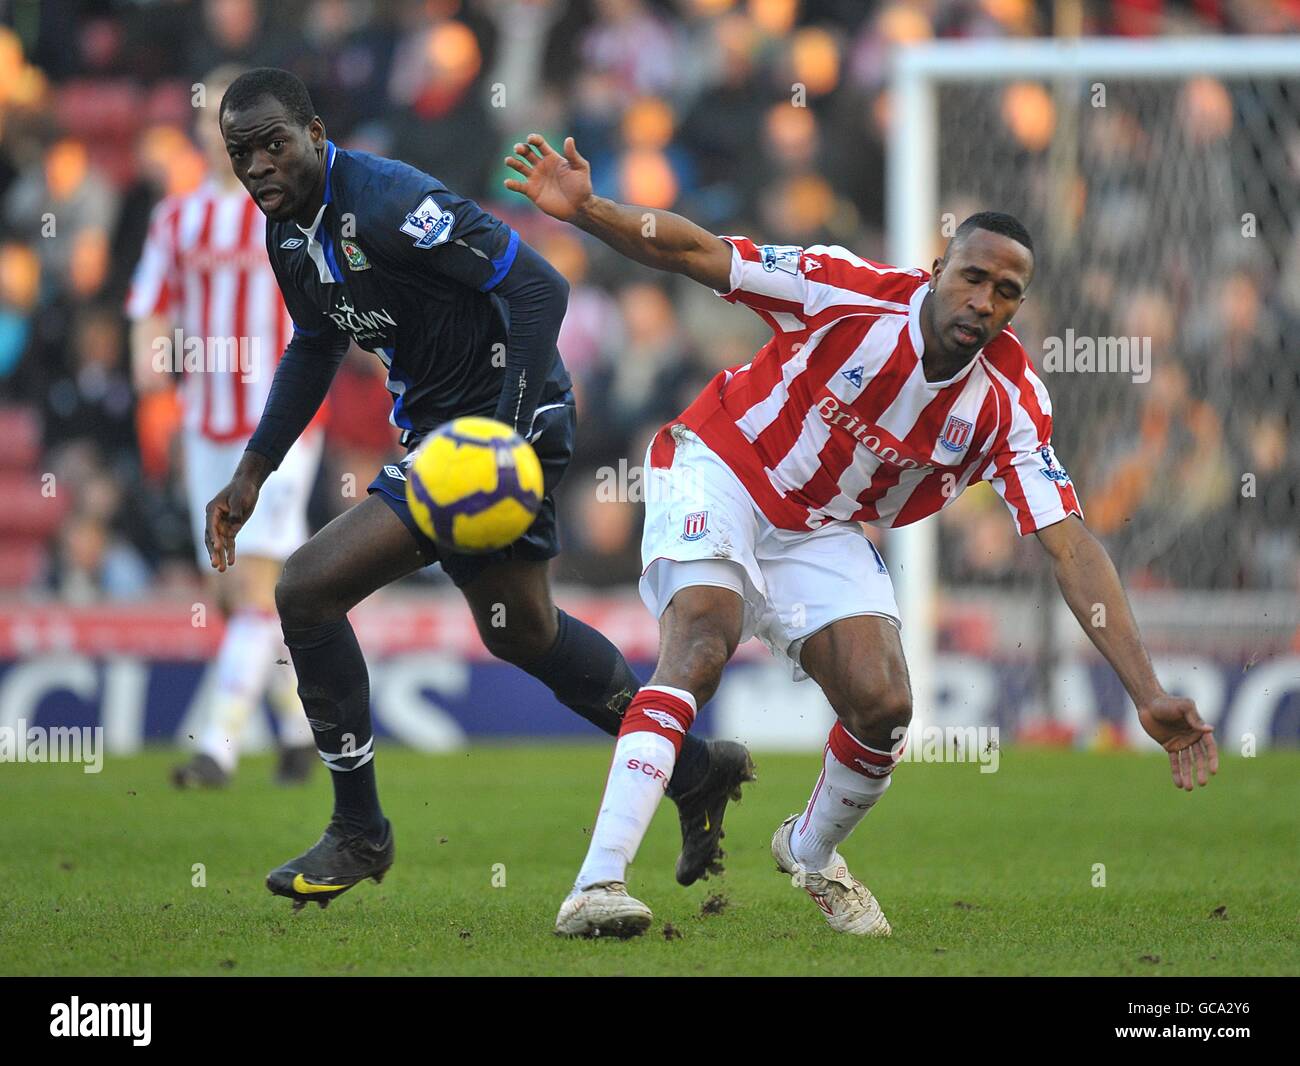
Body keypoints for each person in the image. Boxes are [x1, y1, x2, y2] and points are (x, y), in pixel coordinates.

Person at [503, 133, 1220, 939]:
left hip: (822, 526)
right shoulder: (844, 291)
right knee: (702, 638)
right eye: (973, 277)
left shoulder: (1010, 403)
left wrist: (1148, 691)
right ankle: (598, 883)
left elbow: (1070, 545)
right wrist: (589, 208)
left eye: (1006, 292)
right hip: (724, 467)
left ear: (1020, 306)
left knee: (884, 706)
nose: (984, 301)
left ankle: (809, 852)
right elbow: (702, 254)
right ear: (939, 268)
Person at [206, 69, 753, 911]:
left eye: (274, 143)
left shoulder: (388, 201)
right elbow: (315, 345)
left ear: (315, 133)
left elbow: (540, 286)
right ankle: (693, 768)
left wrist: (501, 430)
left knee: (307, 588)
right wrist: (252, 472)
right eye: (241, 153)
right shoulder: (288, 235)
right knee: (524, 633)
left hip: (507, 427)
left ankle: (360, 830)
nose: (259, 166)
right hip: (444, 438)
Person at [127, 66, 320, 789]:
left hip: (281, 419)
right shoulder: (177, 216)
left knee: (257, 581)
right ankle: (300, 733)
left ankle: (216, 747)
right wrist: (152, 378)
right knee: (235, 587)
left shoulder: (288, 203)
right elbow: (151, 301)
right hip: (206, 421)